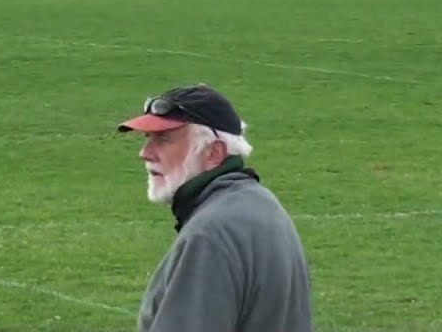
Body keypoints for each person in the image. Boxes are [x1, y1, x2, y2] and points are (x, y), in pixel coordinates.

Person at [116, 84, 313, 332]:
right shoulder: (262, 204)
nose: (145, 153)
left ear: (213, 153)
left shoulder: (210, 235)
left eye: (164, 140)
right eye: (148, 139)